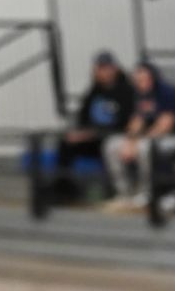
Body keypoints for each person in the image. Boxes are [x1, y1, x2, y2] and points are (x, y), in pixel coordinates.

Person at [106, 61, 175, 210]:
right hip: (149, 137)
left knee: (145, 147)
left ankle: (147, 193)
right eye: (137, 80)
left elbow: (165, 125)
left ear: (153, 78)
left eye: (144, 79)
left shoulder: (167, 93)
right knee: (112, 145)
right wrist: (129, 142)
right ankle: (124, 193)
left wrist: (138, 143)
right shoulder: (140, 94)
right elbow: (137, 121)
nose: (141, 83)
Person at [53, 51, 136, 200]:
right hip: (93, 138)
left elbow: (124, 123)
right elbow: (83, 117)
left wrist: (92, 133)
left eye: (106, 68)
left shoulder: (126, 90)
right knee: (65, 143)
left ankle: (116, 191)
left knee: (109, 145)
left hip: (113, 136)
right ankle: (64, 188)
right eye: (99, 68)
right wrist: (80, 133)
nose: (102, 72)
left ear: (115, 68)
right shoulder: (94, 90)